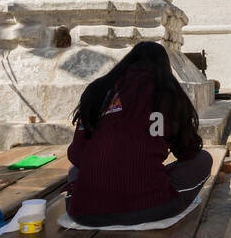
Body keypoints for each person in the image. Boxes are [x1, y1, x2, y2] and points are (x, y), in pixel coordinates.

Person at [65, 41, 213, 228]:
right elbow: (188, 152)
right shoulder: (167, 91)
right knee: (203, 159)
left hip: (84, 211)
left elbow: (76, 156)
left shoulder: (97, 90)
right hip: (152, 206)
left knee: (75, 171)